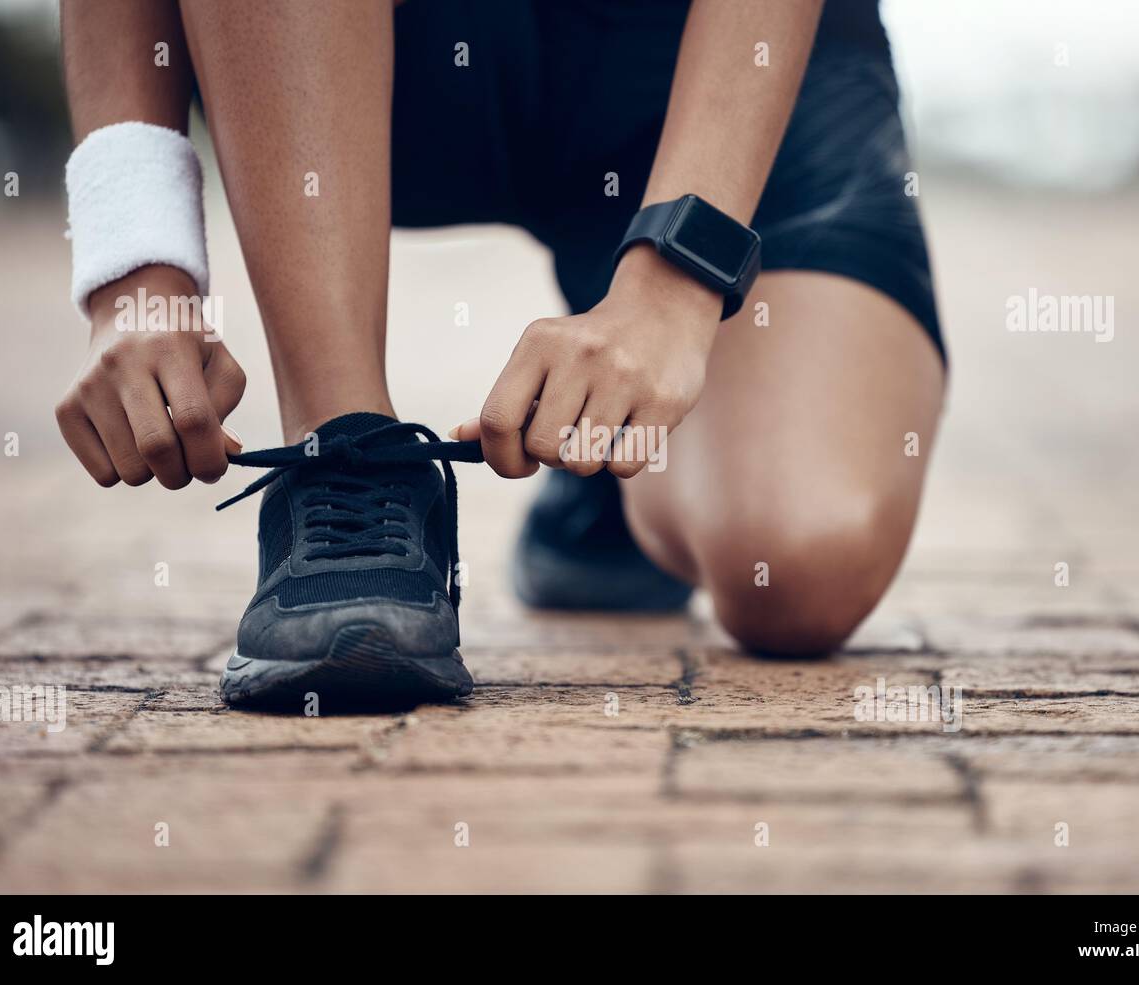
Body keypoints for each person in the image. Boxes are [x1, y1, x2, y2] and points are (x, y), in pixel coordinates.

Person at [56, 0, 946, 707]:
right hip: (364, 58)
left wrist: (676, 283)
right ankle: (344, 453)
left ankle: (606, 458)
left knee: (798, 562)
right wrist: (138, 264)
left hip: (710, 66)